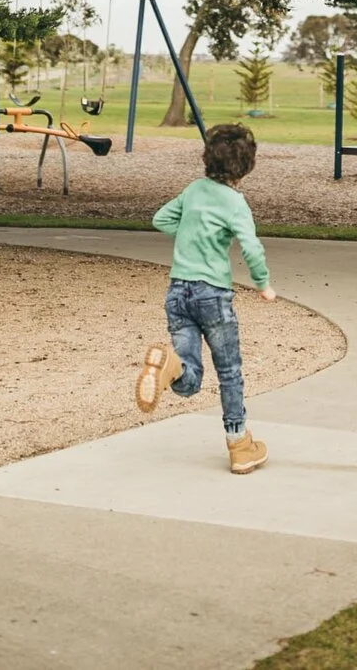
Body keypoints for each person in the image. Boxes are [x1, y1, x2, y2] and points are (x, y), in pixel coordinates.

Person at [134, 122, 276, 474]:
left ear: (207, 158)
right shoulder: (235, 203)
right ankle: (240, 445)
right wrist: (263, 283)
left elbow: (159, 218)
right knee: (229, 371)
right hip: (212, 295)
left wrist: (188, 236)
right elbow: (252, 248)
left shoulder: (194, 190)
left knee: (190, 379)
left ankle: (172, 367)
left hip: (178, 291)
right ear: (247, 166)